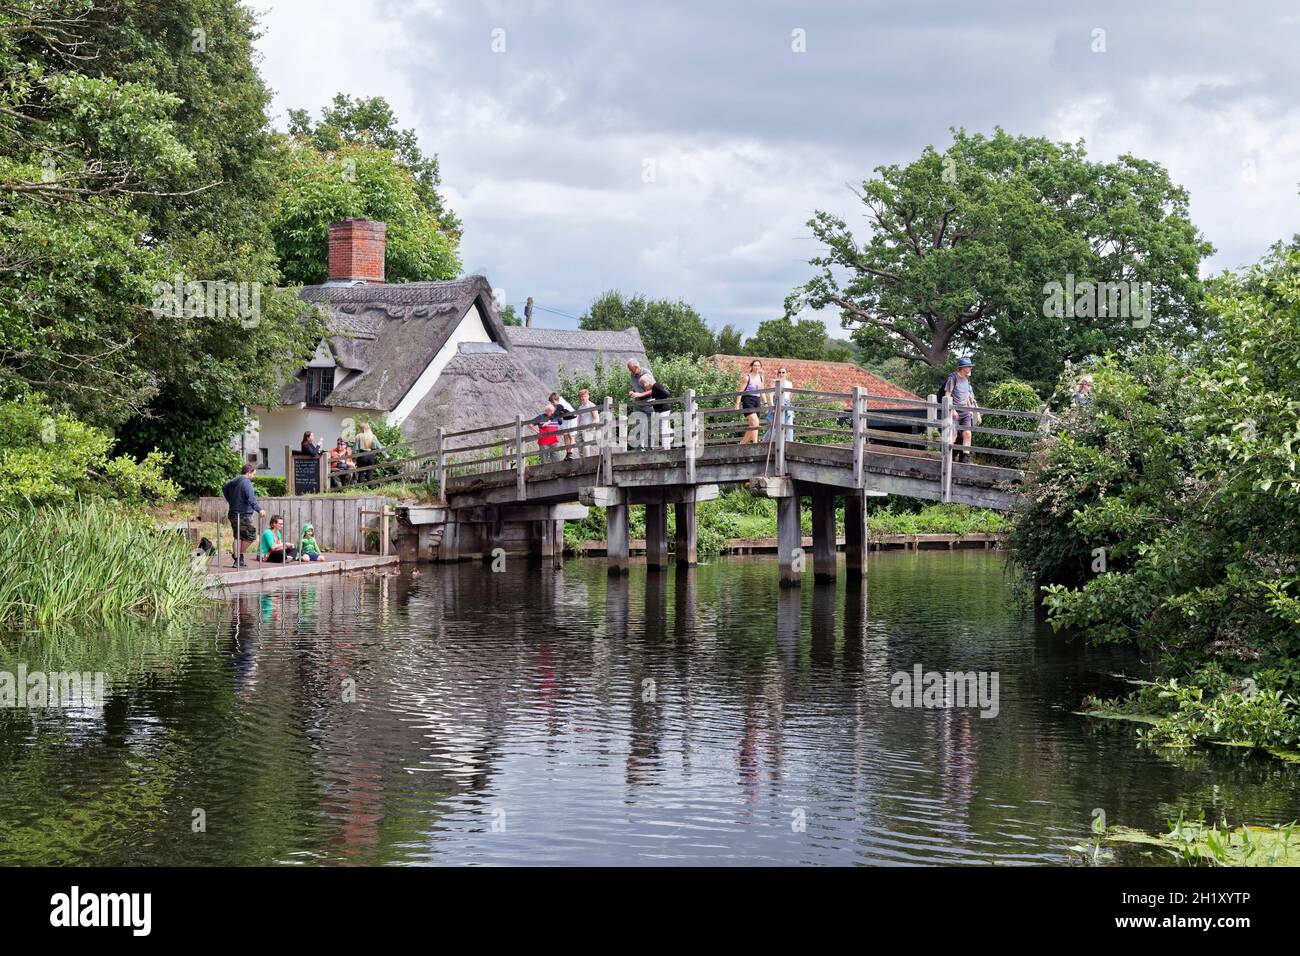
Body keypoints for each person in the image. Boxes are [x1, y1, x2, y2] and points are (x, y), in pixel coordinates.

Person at [221, 462, 263, 567]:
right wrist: (259, 510)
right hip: (244, 515)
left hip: (233, 513)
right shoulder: (246, 482)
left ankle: (238, 558)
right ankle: (238, 556)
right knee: (251, 536)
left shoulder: (234, 481)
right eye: (254, 474)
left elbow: (224, 488)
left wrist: (231, 500)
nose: (254, 477)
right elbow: (251, 498)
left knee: (238, 536)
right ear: (249, 472)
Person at [941, 356, 978, 463]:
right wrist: (952, 410)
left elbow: (966, 395)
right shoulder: (953, 378)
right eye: (969, 366)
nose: (971, 368)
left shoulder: (967, 379)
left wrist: (970, 409)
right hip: (955, 410)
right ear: (963, 367)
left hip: (965, 411)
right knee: (954, 435)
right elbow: (947, 395)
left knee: (967, 434)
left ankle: (966, 457)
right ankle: (948, 457)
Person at [735, 359, 764, 444]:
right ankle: (755, 444)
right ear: (752, 366)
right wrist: (737, 404)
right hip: (748, 400)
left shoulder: (761, 377)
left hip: (757, 401)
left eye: (758, 366)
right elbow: (740, 391)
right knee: (755, 423)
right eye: (755, 365)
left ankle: (742, 443)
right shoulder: (747, 377)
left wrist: (765, 402)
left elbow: (762, 391)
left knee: (753, 425)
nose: (757, 367)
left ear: (760, 367)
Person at [764, 365, 794, 443]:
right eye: (779, 372)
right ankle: (765, 441)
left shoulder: (789, 383)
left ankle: (789, 442)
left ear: (786, 373)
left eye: (783, 372)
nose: (781, 374)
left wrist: (791, 409)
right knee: (774, 426)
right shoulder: (775, 382)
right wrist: (772, 406)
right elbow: (770, 395)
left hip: (787, 404)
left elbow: (788, 396)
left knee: (789, 424)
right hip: (777, 403)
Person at [548, 392, 578, 460]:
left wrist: (550, 420)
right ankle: (567, 453)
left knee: (571, 436)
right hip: (565, 419)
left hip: (572, 419)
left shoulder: (560, 404)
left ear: (556, 399)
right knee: (565, 436)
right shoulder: (558, 402)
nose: (552, 403)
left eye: (553, 402)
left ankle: (570, 454)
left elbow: (556, 414)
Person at [575, 388, 600, 456]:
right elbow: (578, 419)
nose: (583, 398)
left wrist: (590, 427)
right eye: (582, 396)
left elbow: (596, 418)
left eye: (585, 396)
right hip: (580, 428)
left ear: (588, 396)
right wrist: (576, 428)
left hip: (588, 428)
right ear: (580, 397)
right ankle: (582, 463)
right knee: (579, 446)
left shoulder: (592, 405)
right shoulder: (580, 407)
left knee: (586, 447)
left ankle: (587, 464)